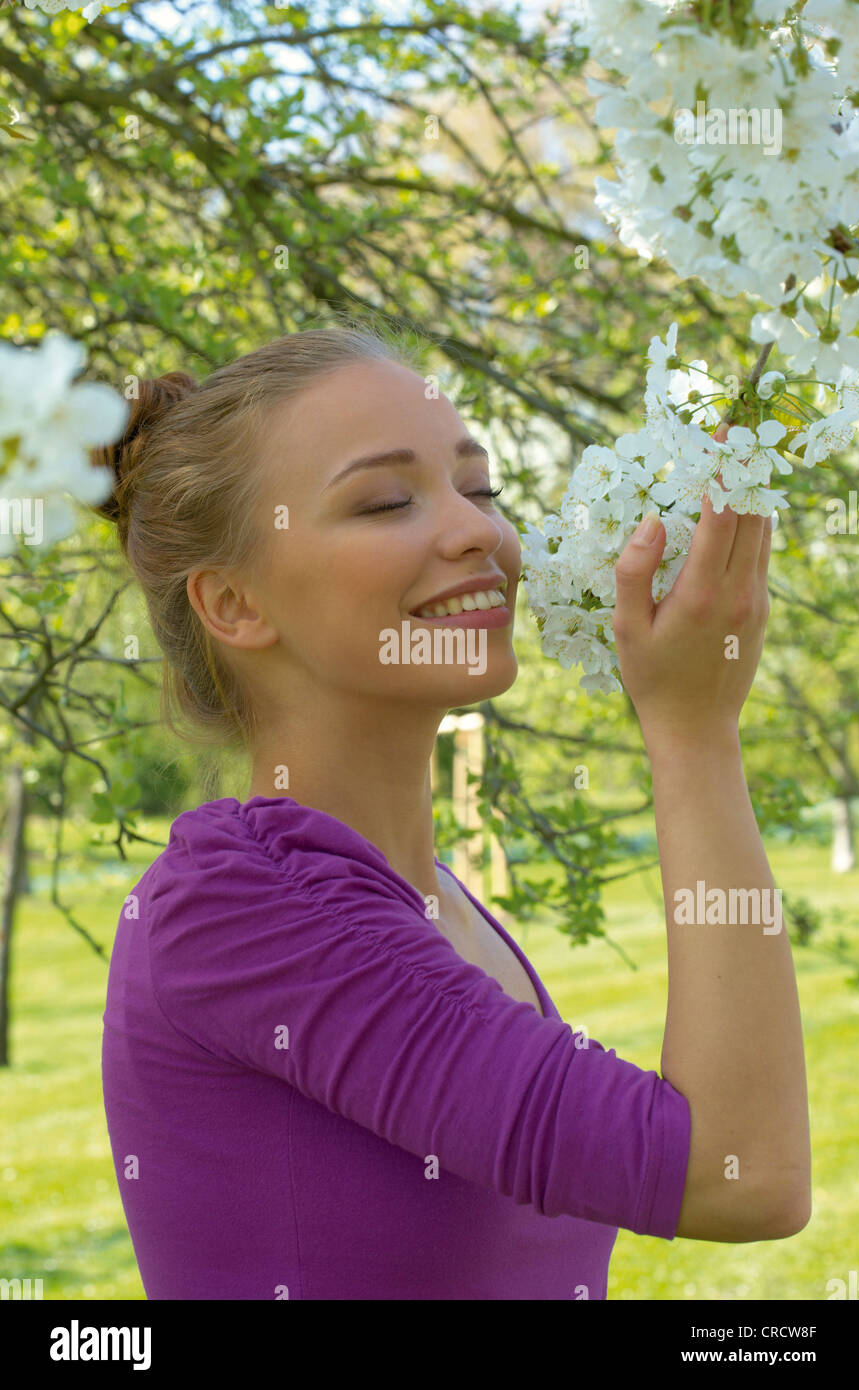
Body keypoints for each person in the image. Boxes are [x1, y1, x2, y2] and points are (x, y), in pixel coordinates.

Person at [93, 315, 810, 1300]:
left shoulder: (432, 905)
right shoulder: (234, 905)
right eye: (386, 500)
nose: (479, 530)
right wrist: (691, 735)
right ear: (233, 604)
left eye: (479, 488)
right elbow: (739, 1175)